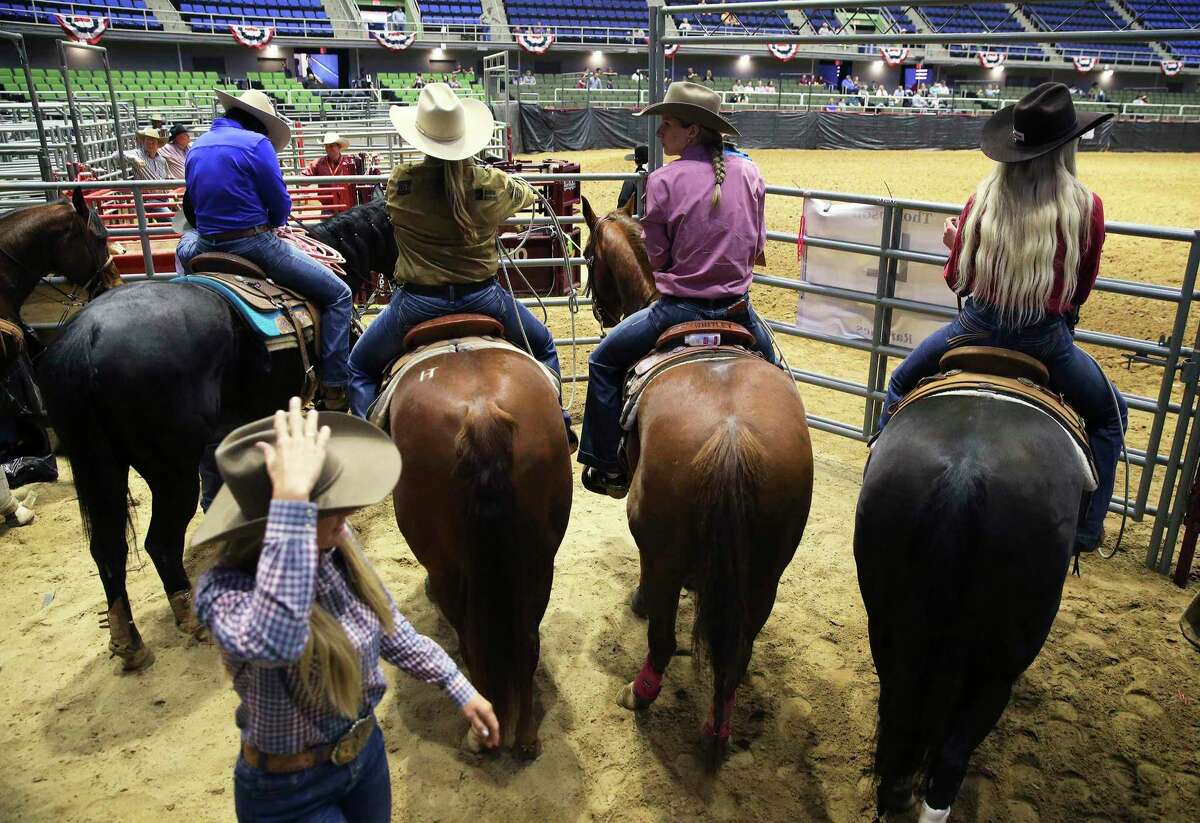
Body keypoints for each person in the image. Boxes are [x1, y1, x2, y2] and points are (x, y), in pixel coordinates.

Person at [193, 398, 501, 822]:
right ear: (280, 516)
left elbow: (390, 628)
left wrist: (456, 684)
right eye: (327, 504)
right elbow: (279, 640)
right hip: (287, 792)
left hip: (364, 755)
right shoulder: (222, 592)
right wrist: (293, 502)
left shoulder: (337, 544)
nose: (351, 512)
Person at [877, 83, 1126, 556]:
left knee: (898, 384)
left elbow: (958, 282)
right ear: (1067, 145)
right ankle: (1087, 531)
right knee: (1110, 417)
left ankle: (878, 467)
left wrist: (957, 247)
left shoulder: (984, 200)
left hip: (975, 328)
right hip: (1048, 343)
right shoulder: (1086, 207)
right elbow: (1080, 291)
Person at [347, 84, 574, 449]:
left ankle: (369, 448)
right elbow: (527, 194)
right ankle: (560, 422)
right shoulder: (492, 184)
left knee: (359, 366)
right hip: (483, 297)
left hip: (417, 303)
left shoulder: (401, 182)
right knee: (544, 344)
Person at [578, 82, 777, 497]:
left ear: (692, 132)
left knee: (602, 361)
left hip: (678, 311)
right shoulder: (750, 173)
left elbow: (658, 259)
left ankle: (606, 465)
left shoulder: (663, 181)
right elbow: (757, 247)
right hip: (738, 311)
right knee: (776, 372)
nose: (659, 133)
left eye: (667, 125)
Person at [176, 89, 352, 410]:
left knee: (184, 243)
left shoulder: (195, 147)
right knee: (339, 295)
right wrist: (273, 220)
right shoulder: (258, 144)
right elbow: (280, 205)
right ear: (258, 123)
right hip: (253, 244)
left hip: (205, 243)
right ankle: (335, 383)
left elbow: (191, 207)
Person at [301, 132, 381, 211]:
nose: (329, 149)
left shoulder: (349, 163)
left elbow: (370, 176)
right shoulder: (319, 163)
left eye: (332, 146)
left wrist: (375, 166)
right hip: (328, 207)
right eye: (327, 146)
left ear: (339, 147)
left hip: (346, 207)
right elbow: (303, 179)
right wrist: (302, 179)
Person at [617, 144, 647, 211]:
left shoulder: (631, 180)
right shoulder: (658, 177)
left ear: (636, 162)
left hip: (635, 220)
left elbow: (622, 203)